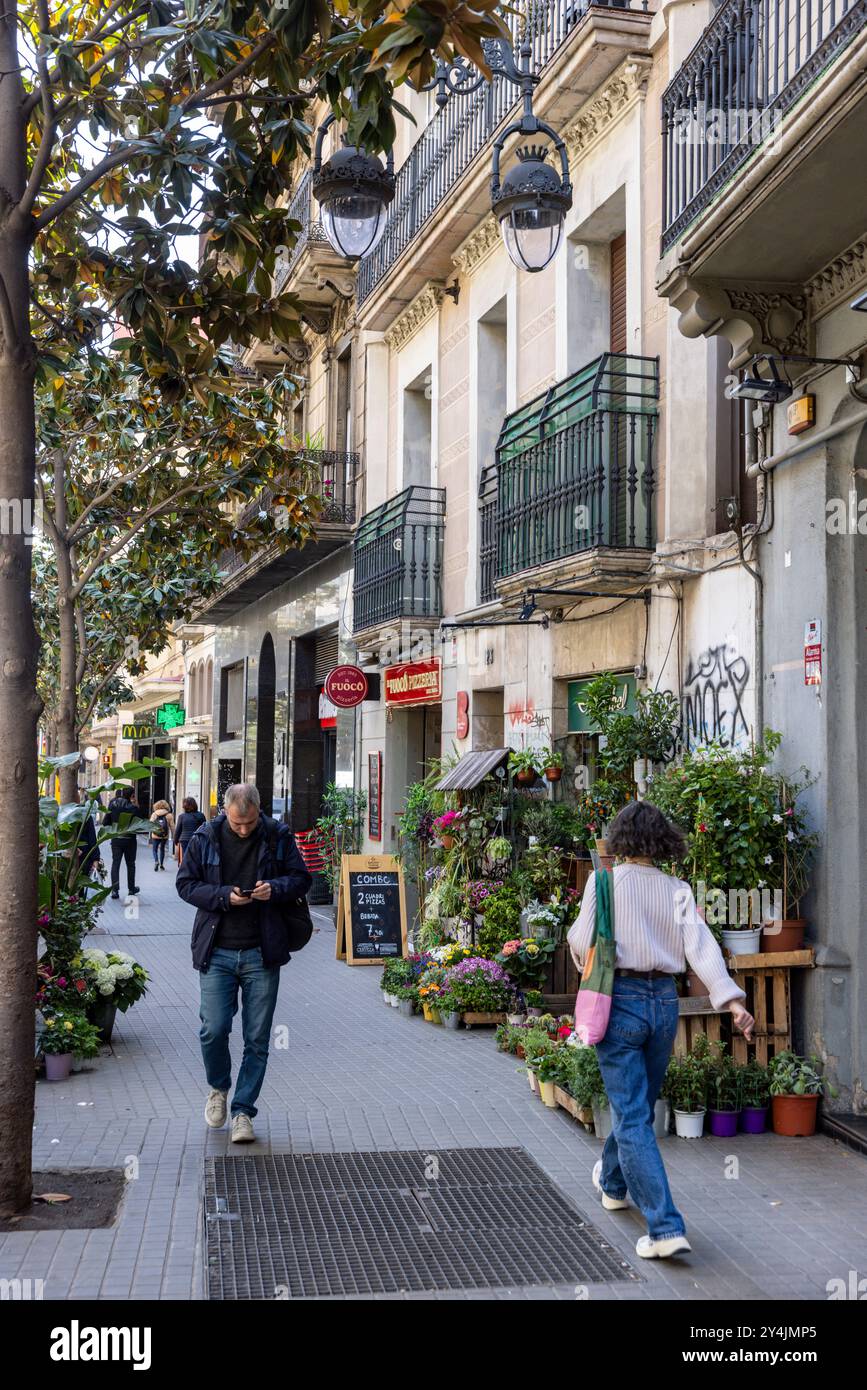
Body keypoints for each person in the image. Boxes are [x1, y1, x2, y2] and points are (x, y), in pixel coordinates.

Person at [567, 800, 754, 1262]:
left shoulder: (603, 881)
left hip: (621, 1002)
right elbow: (701, 947)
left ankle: (665, 1226)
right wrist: (730, 1001)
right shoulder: (678, 889)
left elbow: (578, 939)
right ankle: (612, 1182)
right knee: (637, 1106)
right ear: (661, 840)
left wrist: (587, 964)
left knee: (631, 1115)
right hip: (665, 1004)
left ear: (621, 839)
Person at [175, 782, 312, 1143]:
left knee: (257, 1037)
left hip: (261, 951)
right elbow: (185, 884)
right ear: (225, 811)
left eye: (250, 823)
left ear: (258, 811)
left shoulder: (277, 834)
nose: (244, 830)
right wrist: (223, 896)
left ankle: (243, 1111)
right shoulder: (205, 836)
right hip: (217, 950)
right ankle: (218, 1087)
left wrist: (275, 889)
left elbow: (301, 879)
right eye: (237, 823)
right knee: (214, 1028)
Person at [103, 785, 141, 900]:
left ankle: (115, 890)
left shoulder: (113, 805)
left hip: (116, 838)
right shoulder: (133, 808)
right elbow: (139, 824)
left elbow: (105, 822)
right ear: (132, 795)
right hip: (130, 840)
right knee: (131, 864)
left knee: (116, 864)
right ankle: (131, 889)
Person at [174, 797, 206, 866]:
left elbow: (178, 830)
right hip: (197, 839)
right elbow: (204, 829)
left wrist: (175, 841)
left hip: (184, 840)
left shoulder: (182, 816)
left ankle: (187, 871)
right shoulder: (201, 815)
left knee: (186, 857)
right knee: (196, 857)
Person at [149, 799, 175, 871]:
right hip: (164, 835)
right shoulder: (169, 815)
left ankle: (156, 861)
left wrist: (151, 832)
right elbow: (172, 826)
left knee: (154, 849)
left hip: (155, 835)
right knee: (162, 849)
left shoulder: (154, 814)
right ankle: (161, 865)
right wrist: (174, 835)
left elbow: (150, 824)